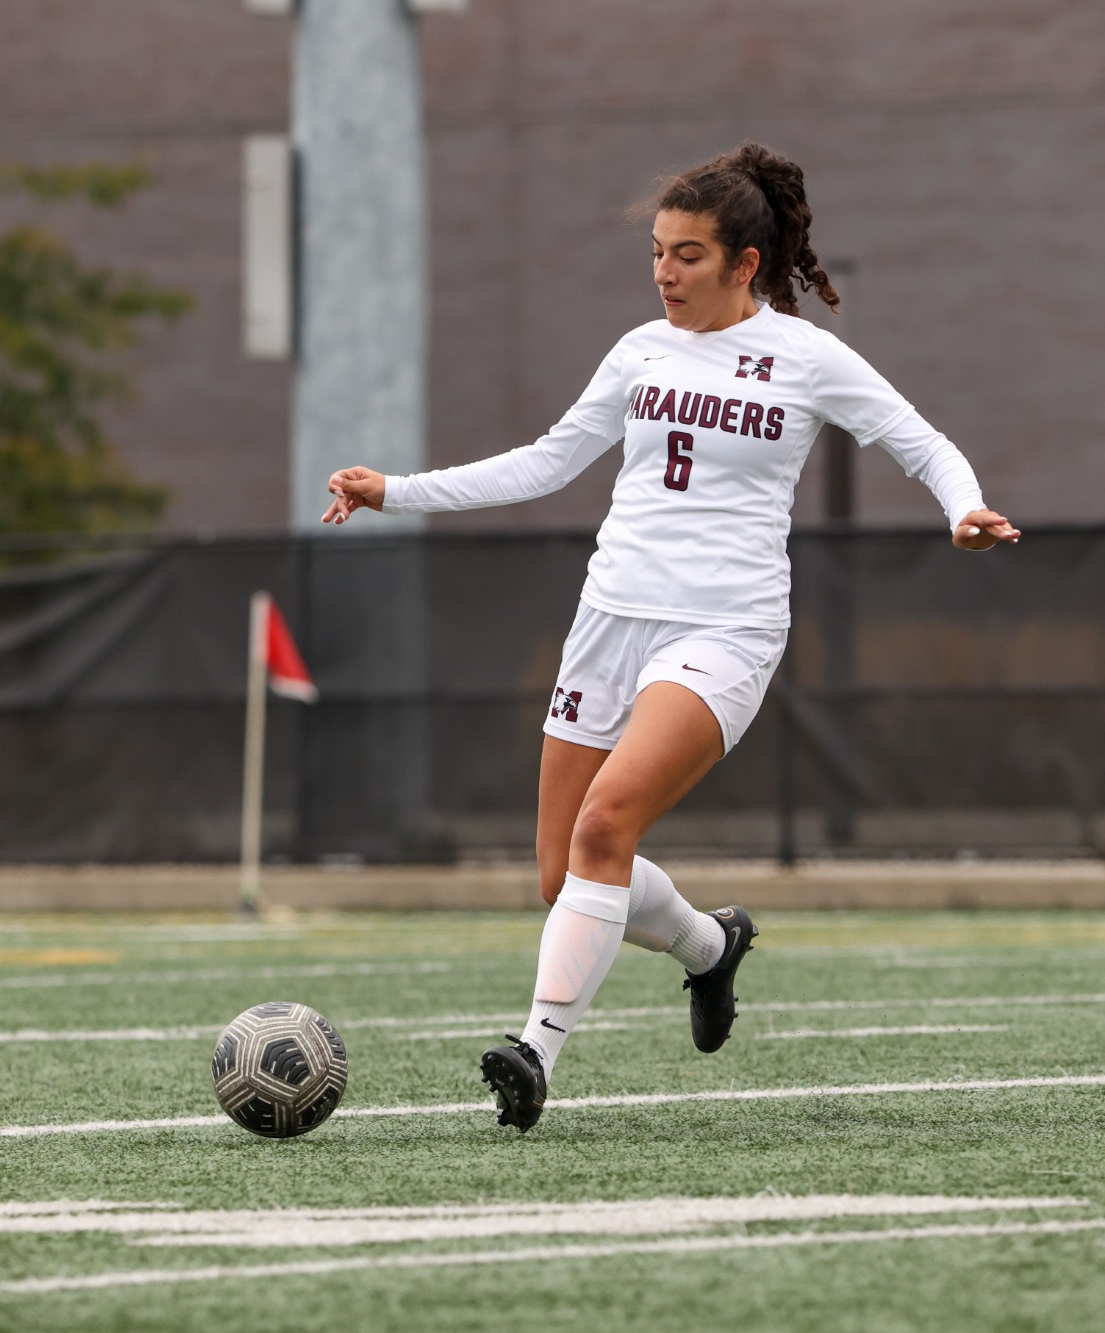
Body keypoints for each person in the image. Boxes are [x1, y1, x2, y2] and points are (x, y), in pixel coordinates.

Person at [320, 142, 1018, 1132]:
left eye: (686, 255)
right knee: (562, 874)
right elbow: (547, 462)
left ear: (743, 264)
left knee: (606, 827)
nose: (662, 273)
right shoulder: (637, 350)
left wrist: (964, 506)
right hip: (608, 617)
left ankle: (534, 1052)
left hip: (723, 628)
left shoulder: (806, 356)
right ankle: (707, 947)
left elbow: (921, 442)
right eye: (656, 251)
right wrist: (396, 491)